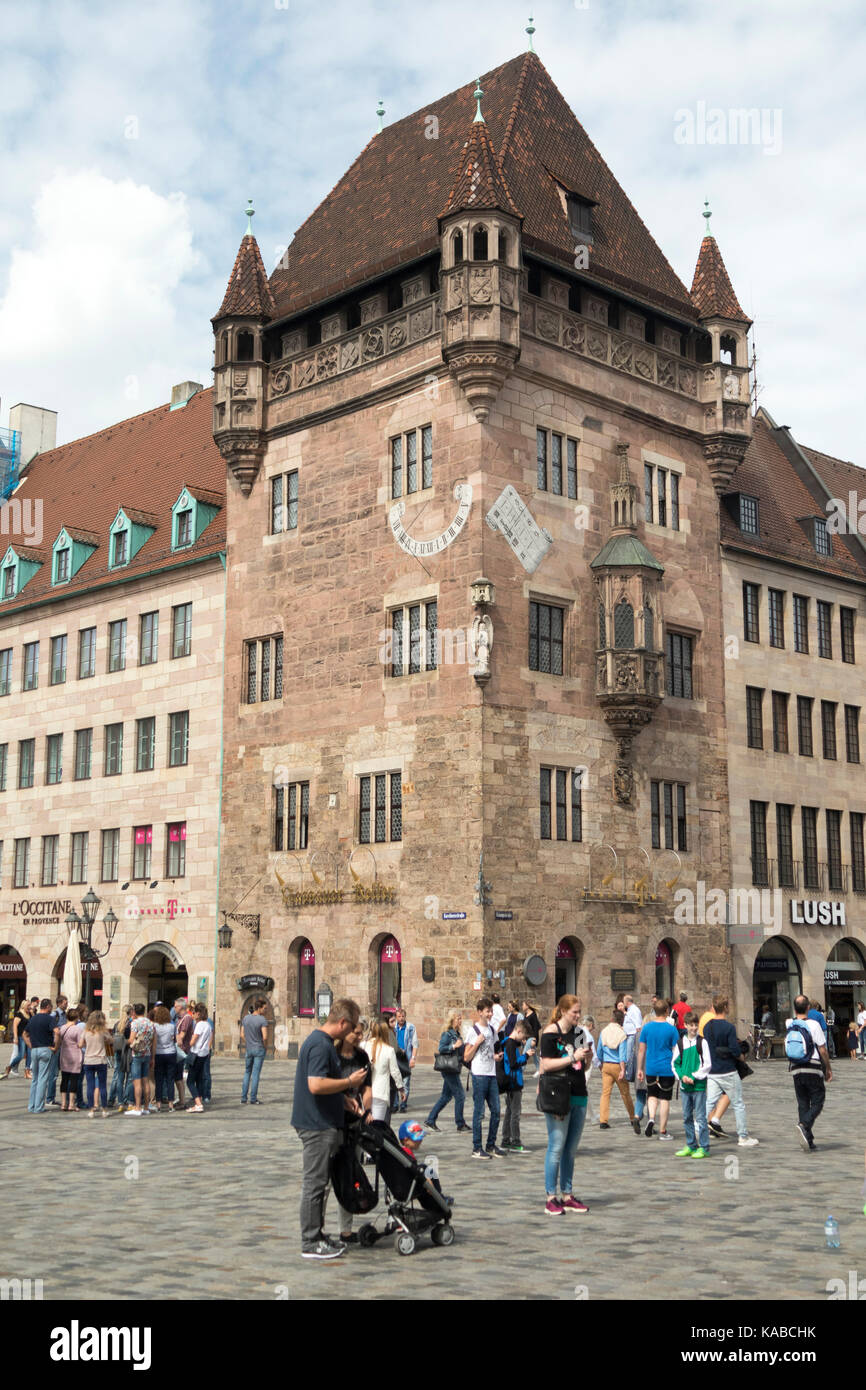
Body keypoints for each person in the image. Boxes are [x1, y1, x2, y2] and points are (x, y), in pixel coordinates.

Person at [291, 997, 366, 1260]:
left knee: (320, 1183)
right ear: (342, 1022)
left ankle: (318, 1235)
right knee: (315, 1184)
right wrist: (348, 1081)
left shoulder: (320, 1043)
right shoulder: (321, 1046)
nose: (355, 1032)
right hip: (316, 1124)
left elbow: (323, 1087)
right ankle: (310, 1241)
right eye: (353, 1026)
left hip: (322, 1120)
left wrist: (342, 1100)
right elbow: (315, 1084)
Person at [540, 994, 592, 1215]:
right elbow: (546, 1064)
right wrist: (572, 1058)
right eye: (574, 1012)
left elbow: (586, 1065)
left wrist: (586, 1057)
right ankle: (551, 1197)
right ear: (562, 1011)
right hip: (558, 1094)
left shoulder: (580, 1033)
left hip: (579, 1092)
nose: (578, 1016)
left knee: (570, 1149)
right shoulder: (551, 1033)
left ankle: (567, 1194)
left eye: (579, 1012)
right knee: (557, 1146)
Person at [335, 1018, 373, 1244]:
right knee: (330, 1181)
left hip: (355, 1122)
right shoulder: (333, 1056)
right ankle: (317, 1229)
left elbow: (367, 1087)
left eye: (361, 1033)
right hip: (333, 1122)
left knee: (350, 1176)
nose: (360, 1037)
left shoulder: (362, 1057)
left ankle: (346, 1230)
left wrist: (366, 1108)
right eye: (356, 1033)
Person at [704, 997, 759, 1147]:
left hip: (712, 1070)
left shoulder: (707, 1027)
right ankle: (743, 1136)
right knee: (738, 1104)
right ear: (726, 1008)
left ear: (713, 1008)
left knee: (710, 1102)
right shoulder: (729, 1027)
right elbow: (735, 1050)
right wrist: (742, 1056)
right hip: (727, 1069)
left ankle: (699, 1127)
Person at [786, 994, 832, 1152]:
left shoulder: (790, 1024)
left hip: (796, 1068)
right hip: (812, 1067)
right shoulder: (813, 1024)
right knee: (818, 1102)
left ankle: (808, 1140)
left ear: (794, 1008)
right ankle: (803, 1125)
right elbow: (823, 1049)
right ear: (808, 1008)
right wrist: (828, 1068)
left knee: (803, 1103)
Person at [464, 997, 505, 1159]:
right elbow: (467, 1057)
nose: (490, 1014)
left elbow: (489, 1051)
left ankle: (491, 1144)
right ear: (480, 1012)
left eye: (491, 1011)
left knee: (496, 1111)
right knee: (479, 1112)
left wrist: (496, 1057)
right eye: (487, 1011)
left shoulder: (492, 1030)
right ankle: (476, 1147)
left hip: (491, 1073)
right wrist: (477, 1043)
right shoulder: (473, 1031)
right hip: (479, 1075)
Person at [636, 999, 679, 1140]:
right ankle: (662, 1131)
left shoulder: (646, 1028)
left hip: (651, 1068)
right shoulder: (672, 1029)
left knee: (652, 1096)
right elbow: (676, 1050)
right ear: (667, 1011)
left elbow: (641, 1051)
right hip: (666, 1068)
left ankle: (651, 1118)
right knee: (665, 1099)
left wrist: (640, 1069)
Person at [672, 1012, 712, 1157]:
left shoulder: (703, 1042)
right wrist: (682, 1077)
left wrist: (694, 1077)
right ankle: (691, 1144)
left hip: (698, 1086)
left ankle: (704, 1146)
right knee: (687, 1116)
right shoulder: (680, 1043)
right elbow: (675, 1064)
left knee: (700, 1117)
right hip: (685, 1087)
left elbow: (707, 1065)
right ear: (686, 1025)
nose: (694, 1028)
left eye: (696, 1025)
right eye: (691, 1025)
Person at [598, 1008, 640, 1133]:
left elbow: (599, 1049)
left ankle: (603, 1120)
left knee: (605, 1094)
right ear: (621, 1020)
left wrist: (601, 1063)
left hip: (606, 1064)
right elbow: (623, 1055)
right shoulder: (621, 1034)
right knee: (625, 1093)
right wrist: (623, 1069)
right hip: (617, 1066)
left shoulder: (603, 1031)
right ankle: (633, 1118)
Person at [425, 1010, 468, 1132]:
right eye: (458, 1018)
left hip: (454, 1068)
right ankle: (460, 1124)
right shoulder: (447, 1034)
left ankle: (430, 1120)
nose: (460, 1021)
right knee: (460, 1095)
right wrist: (454, 1046)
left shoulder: (457, 1034)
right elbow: (441, 1048)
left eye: (460, 1018)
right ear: (452, 1020)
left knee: (446, 1096)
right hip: (449, 1069)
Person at [363, 1017, 405, 1124]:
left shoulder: (363, 1045)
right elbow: (395, 1072)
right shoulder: (388, 1050)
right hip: (380, 1093)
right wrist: (401, 1088)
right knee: (377, 1126)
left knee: (364, 1126)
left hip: (364, 1091)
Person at [501, 1018, 533, 1152]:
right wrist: (525, 1056)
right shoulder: (510, 1044)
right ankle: (515, 1140)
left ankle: (506, 1139)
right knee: (515, 1113)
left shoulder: (511, 1043)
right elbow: (513, 1063)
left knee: (509, 1112)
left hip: (512, 1082)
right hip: (513, 1083)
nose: (523, 1039)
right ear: (518, 1031)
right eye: (523, 1036)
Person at [23, 999, 59, 1114]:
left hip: (35, 1050)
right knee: (43, 1078)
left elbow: (24, 1034)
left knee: (35, 1079)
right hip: (45, 1049)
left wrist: (30, 1046)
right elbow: (57, 1032)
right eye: (51, 1006)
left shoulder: (33, 1018)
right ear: (47, 1007)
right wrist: (55, 1047)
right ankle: (39, 1107)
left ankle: (31, 1106)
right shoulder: (50, 1018)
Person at [125, 1004, 156, 1116]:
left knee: (137, 1082)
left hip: (137, 1054)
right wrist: (153, 1057)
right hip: (147, 1054)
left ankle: (137, 1107)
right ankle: (146, 1107)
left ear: (134, 1011)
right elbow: (154, 1042)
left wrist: (125, 1041)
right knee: (146, 1081)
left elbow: (131, 1039)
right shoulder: (151, 1023)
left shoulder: (135, 1023)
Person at [81, 1010, 111, 1117]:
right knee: (102, 1085)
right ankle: (104, 1109)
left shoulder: (86, 1031)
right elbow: (110, 1040)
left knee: (90, 1085)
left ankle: (91, 1110)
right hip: (100, 1060)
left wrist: (87, 1043)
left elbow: (80, 1044)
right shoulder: (103, 1031)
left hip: (88, 1060)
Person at [240, 998, 269, 1105]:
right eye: (264, 1008)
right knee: (256, 1074)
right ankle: (253, 1098)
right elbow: (265, 1037)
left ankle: (243, 1098)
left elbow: (242, 1034)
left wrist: (248, 1042)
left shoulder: (246, 1018)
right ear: (259, 1008)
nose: (266, 1010)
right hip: (259, 1049)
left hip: (249, 1048)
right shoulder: (262, 1020)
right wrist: (264, 1046)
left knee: (247, 1072)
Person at [185, 1004, 212, 1113]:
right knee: (199, 1079)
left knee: (190, 1081)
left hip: (196, 1054)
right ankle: (199, 1099)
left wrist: (189, 1042)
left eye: (194, 1013)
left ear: (198, 1014)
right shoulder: (208, 1025)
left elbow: (193, 1041)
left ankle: (198, 1103)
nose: (193, 1015)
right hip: (204, 1054)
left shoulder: (200, 1024)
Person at [57, 1008, 85, 1111]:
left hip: (64, 1055)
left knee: (64, 1079)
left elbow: (59, 1041)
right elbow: (80, 1044)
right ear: (76, 1018)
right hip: (75, 1056)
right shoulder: (78, 1029)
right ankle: (71, 1104)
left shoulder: (62, 1028)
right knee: (74, 1080)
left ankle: (63, 1103)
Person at [152, 1005, 177, 1111]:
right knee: (170, 1080)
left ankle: (158, 1104)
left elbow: (153, 1041)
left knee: (159, 1080)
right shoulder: (172, 1026)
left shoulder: (155, 1026)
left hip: (158, 1053)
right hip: (171, 1053)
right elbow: (173, 1038)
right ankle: (171, 1104)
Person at [392, 1007, 417, 1112]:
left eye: (403, 1016)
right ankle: (395, 1104)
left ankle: (403, 1104)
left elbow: (415, 1044)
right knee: (394, 1082)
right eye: (399, 1016)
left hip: (406, 1058)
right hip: (394, 1058)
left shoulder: (410, 1027)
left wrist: (413, 1058)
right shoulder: (393, 1028)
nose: (401, 1018)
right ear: (396, 1017)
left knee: (405, 1082)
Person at [1, 999, 32, 1080]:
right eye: (28, 1005)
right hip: (21, 1037)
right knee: (21, 1055)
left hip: (28, 1037)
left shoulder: (30, 1014)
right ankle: (9, 1067)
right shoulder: (19, 1014)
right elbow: (14, 1026)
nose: (30, 1007)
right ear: (24, 1006)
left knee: (29, 1054)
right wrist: (15, 1037)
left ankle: (27, 1072)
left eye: (30, 1005)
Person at [174, 998, 194, 1108]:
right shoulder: (180, 1018)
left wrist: (172, 1036)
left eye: (175, 1006)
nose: (174, 1008)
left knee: (178, 1077)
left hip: (182, 1051)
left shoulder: (186, 1018)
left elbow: (182, 1036)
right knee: (177, 1077)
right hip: (180, 1050)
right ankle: (181, 1099)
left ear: (181, 1007)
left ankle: (182, 1100)